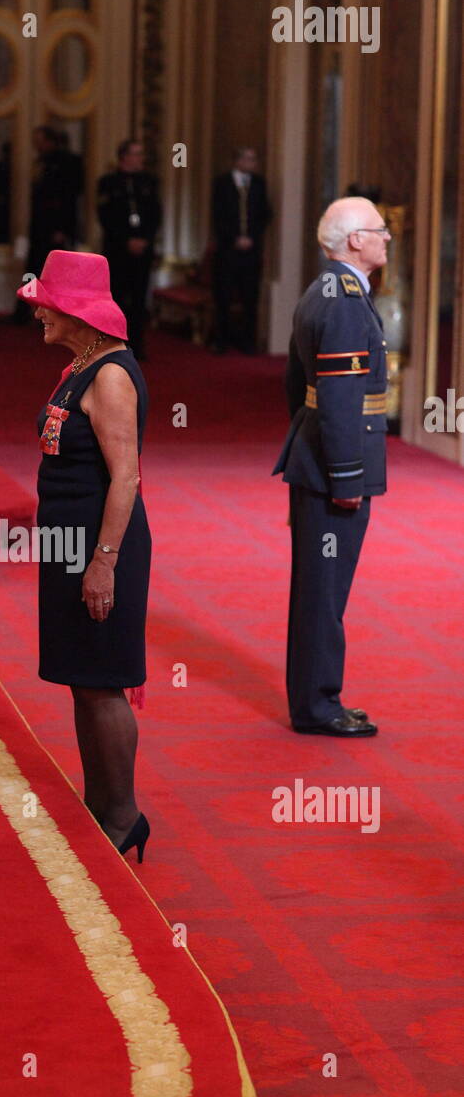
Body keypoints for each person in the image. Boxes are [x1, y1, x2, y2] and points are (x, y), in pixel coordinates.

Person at [16, 251, 152, 860]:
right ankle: (99, 805)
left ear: (77, 310)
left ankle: (125, 817)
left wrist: (103, 562)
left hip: (101, 547)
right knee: (82, 677)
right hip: (68, 545)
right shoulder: (82, 363)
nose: (38, 311)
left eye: (46, 303)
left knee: (104, 680)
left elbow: (126, 478)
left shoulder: (111, 375)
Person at [273, 197, 390, 736]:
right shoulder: (343, 301)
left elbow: (299, 388)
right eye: (379, 230)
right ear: (354, 241)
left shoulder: (324, 289)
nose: (387, 237)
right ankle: (318, 706)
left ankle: (316, 697)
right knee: (324, 591)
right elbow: (339, 397)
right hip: (333, 470)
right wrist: (346, 477)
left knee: (320, 588)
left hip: (315, 457)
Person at [97, 138, 161, 360]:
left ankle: (137, 344)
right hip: (118, 250)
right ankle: (114, 344)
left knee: (139, 298)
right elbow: (106, 216)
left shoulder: (150, 182)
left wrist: (144, 240)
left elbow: (155, 215)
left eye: (141, 154)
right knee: (116, 298)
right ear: (124, 157)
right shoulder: (108, 182)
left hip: (142, 250)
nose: (140, 158)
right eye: (136, 154)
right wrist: (126, 240)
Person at [13, 127, 80, 322]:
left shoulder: (67, 163)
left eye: (39, 141)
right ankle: (26, 311)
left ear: (51, 141)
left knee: (55, 275)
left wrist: (62, 228)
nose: (36, 145)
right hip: (40, 227)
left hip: (55, 228)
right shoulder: (42, 162)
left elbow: (68, 198)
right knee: (33, 270)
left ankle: (54, 314)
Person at [211, 146, 272, 353]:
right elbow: (217, 215)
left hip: (252, 251)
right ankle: (221, 341)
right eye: (248, 159)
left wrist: (251, 238)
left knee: (250, 297)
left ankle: (248, 342)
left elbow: (265, 214)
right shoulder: (222, 183)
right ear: (237, 161)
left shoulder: (259, 184)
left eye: (254, 159)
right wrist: (234, 238)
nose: (252, 163)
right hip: (228, 250)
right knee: (224, 296)